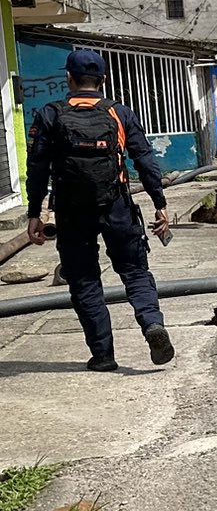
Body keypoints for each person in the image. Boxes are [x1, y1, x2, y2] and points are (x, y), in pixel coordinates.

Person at [24, 48, 176, 372]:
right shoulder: (119, 113)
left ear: (69, 78)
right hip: (118, 205)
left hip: (71, 210)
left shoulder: (50, 114)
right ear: (103, 80)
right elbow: (145, 161)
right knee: (135, 272)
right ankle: (151, 324)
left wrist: (34, 212)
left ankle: (104, 355)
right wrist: (160, 203)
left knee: (83, 280)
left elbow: (36, 167)